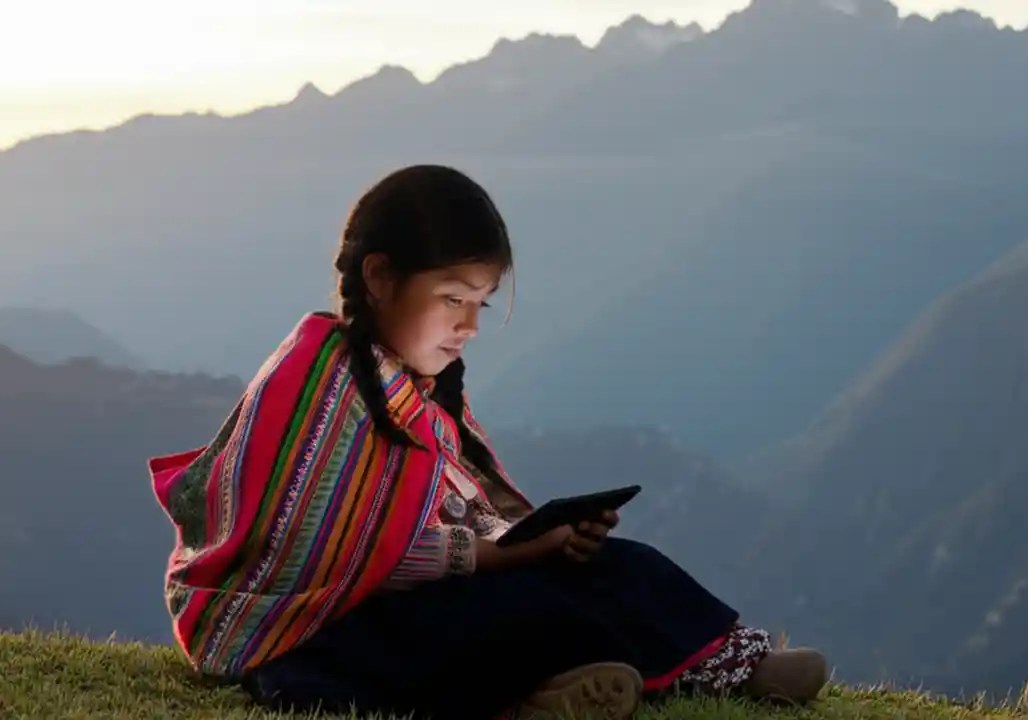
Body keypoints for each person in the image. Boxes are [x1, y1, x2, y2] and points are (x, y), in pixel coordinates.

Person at [148, 164, 829, 720]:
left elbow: (444, 513)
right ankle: (543, 691)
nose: (470, 323)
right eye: (452, 297)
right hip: (308, 631)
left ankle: (729, 662)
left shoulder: (416, 388)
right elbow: (351, 554)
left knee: (618, 566)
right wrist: (503, 557)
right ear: (380, 278)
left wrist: (537, 540)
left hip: (414, 594)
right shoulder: (316, 386)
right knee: (505, 615)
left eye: (482, 300)